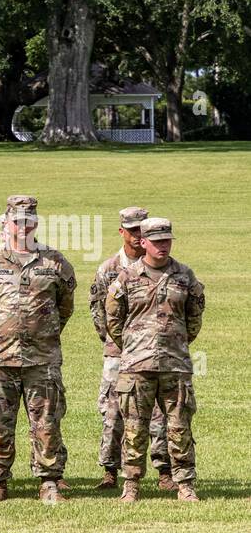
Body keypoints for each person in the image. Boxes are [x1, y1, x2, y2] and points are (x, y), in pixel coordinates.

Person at [0, 195, 76, 502]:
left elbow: (65, 307)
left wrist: (43, 333)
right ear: (5, 224)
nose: (22, 227)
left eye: (28, 221)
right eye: (16, 221)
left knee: (47, 422)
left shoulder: (54, 262)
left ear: (35, 224)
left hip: (42, 359)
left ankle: (49, 481)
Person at [105, 217, 205, 503]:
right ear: (144, 242)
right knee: (135, 429)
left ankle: (185, 484)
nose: (163, 246)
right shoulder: (126, 277)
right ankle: (131, 485)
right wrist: (134, 346)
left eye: (167, 240)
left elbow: (194, 318)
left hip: (175, 366)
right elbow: (113, 319)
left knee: (179, 427)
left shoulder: (185, 276)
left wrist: (177, 344)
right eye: (157, 241)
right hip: (137, 366)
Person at [89, 206, 171, 490]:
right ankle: (110, 471)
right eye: (132, 230)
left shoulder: (168, 268)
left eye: (142, 230)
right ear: (122, 231)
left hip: (156, 353)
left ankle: (165, 471)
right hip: (118, 352)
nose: (138, 236)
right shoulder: (109, 269)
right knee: (114, 412)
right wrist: (119, 341)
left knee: (160, 413)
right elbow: (99, 310)